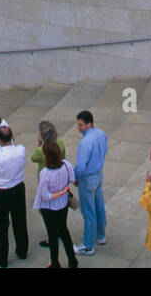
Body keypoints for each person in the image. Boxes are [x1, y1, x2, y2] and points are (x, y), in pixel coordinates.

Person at [0, 126, 29, 268]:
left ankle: (2, 257)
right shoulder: (21, 150)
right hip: (18, 188)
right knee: (20, 221)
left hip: (2, 192)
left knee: (2, 225)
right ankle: (22, 250)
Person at [33, 139, 78, 268]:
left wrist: (60, 191)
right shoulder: (66, 165)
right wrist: (64, 190)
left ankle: (54, 262)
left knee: (52, 235)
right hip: (63, 205)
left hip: (49, 208)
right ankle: (72, 260)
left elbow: (45, 195)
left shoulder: (45, 174)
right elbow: (72, 179)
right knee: (64, 230)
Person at [73, 110, 107, 256]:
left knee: (88, 212)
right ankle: (101, 236)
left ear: (89, 124)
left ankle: (88, 245)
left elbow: (80, 165)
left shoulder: (85, 142)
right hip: (98, 175)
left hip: (88, 179)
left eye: (80, 125)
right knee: (99, 206)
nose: (78, 127)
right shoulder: (101, 134)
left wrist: (76, 178)